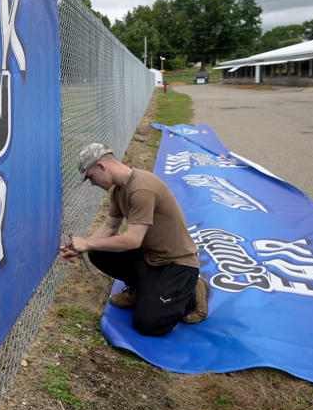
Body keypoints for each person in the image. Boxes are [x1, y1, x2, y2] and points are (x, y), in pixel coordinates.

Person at [60, 143, 208, 336]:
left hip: (177, 265)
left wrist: (87, 243)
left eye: (90, 177)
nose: (92, 183)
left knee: (148, 324)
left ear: (101, 167)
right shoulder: (118, 190)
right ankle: (143, 289)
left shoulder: (142, 188)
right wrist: (82, 247)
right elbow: (110, 227)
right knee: (98, 253)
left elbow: (133, 240)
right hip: (151, 256)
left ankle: (194, 292)